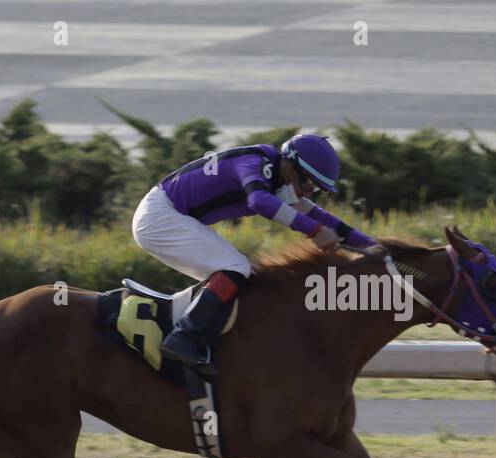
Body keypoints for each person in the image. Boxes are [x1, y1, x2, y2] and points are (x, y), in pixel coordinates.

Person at [132, 134, 376, 375]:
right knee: (237, 268)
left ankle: (205, 342)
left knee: (243, 277)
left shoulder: (278, 177)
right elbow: (259, 201)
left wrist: (373, 246)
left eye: (315, 189)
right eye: (309, 185)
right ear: (291, 168)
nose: (308, 193)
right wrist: (314, 232)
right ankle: (183, 337)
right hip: (159, 217)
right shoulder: (253, 164)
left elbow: (321, 217)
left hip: (167, 215)